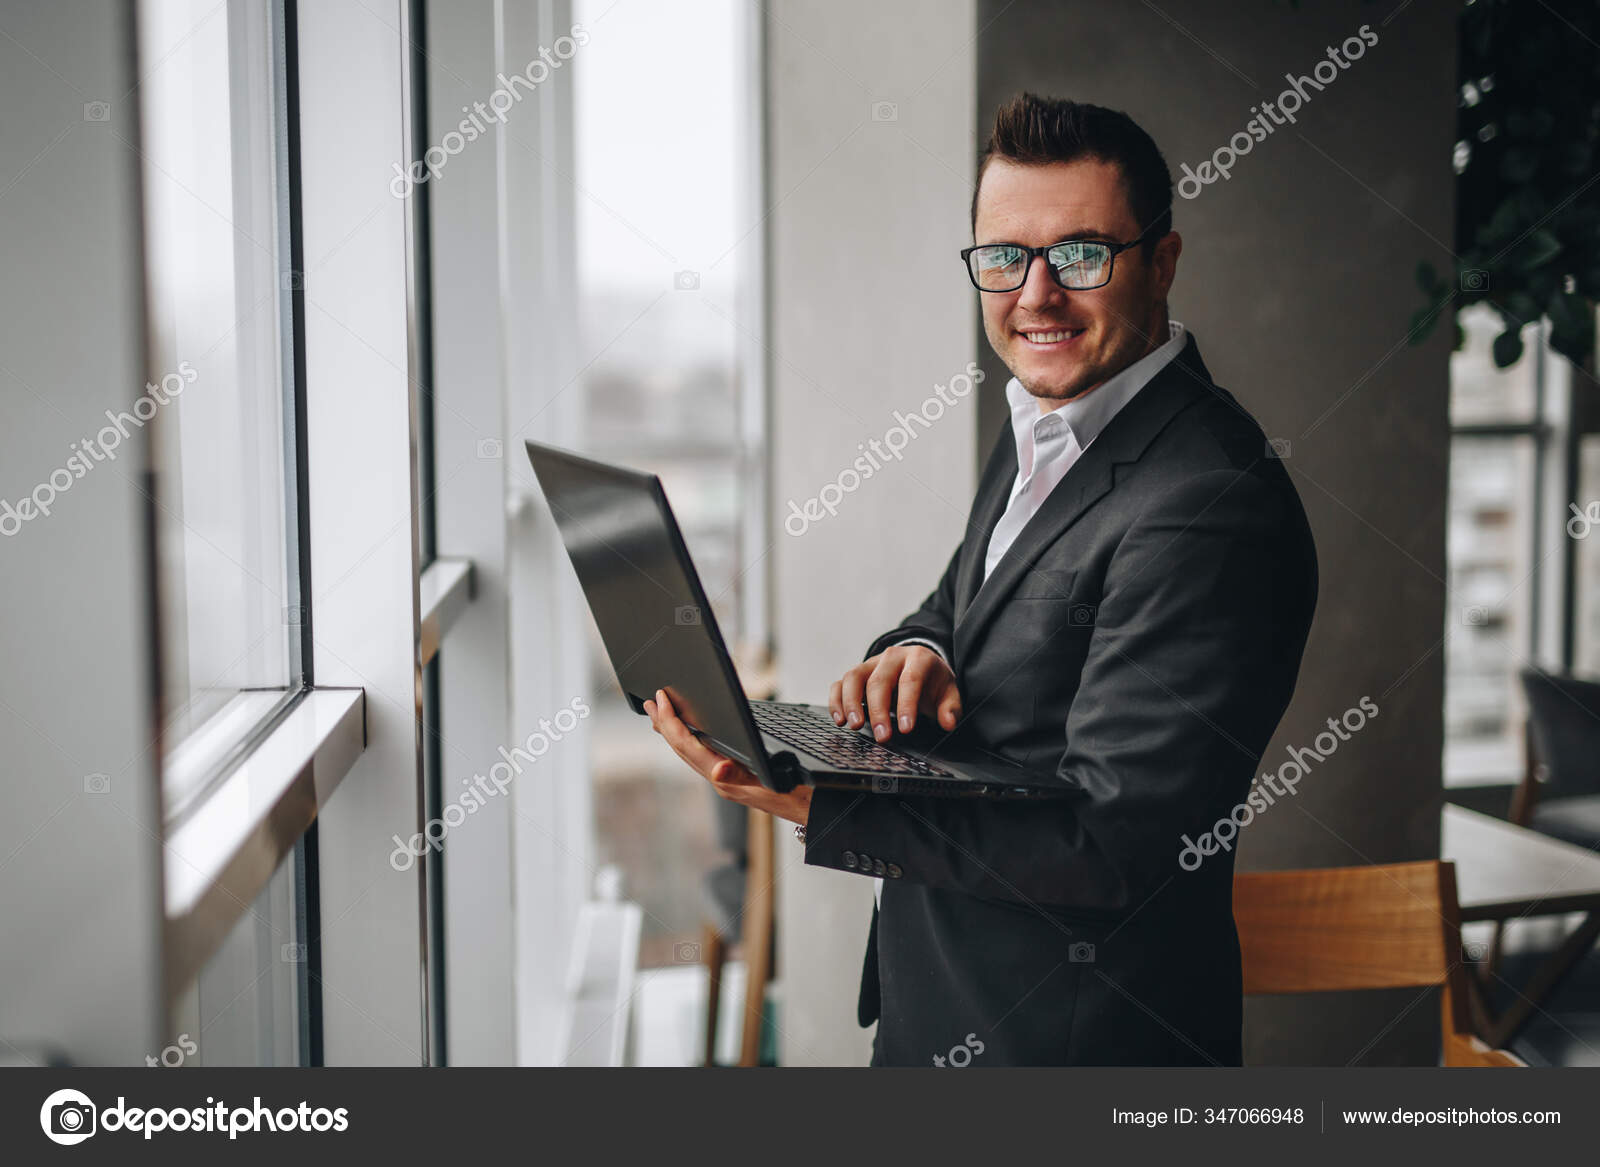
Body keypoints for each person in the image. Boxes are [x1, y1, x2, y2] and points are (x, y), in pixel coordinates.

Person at [645, 92, 1318, 1066]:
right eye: (1004, 258)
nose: (1034, 295)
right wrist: (917, 650)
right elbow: (960, 603)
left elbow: (1111, 846)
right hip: (948, 1013)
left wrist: (815, 799)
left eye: (1079, 254)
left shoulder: (1208, 502)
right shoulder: (1051, 419)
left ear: (1160, 263)